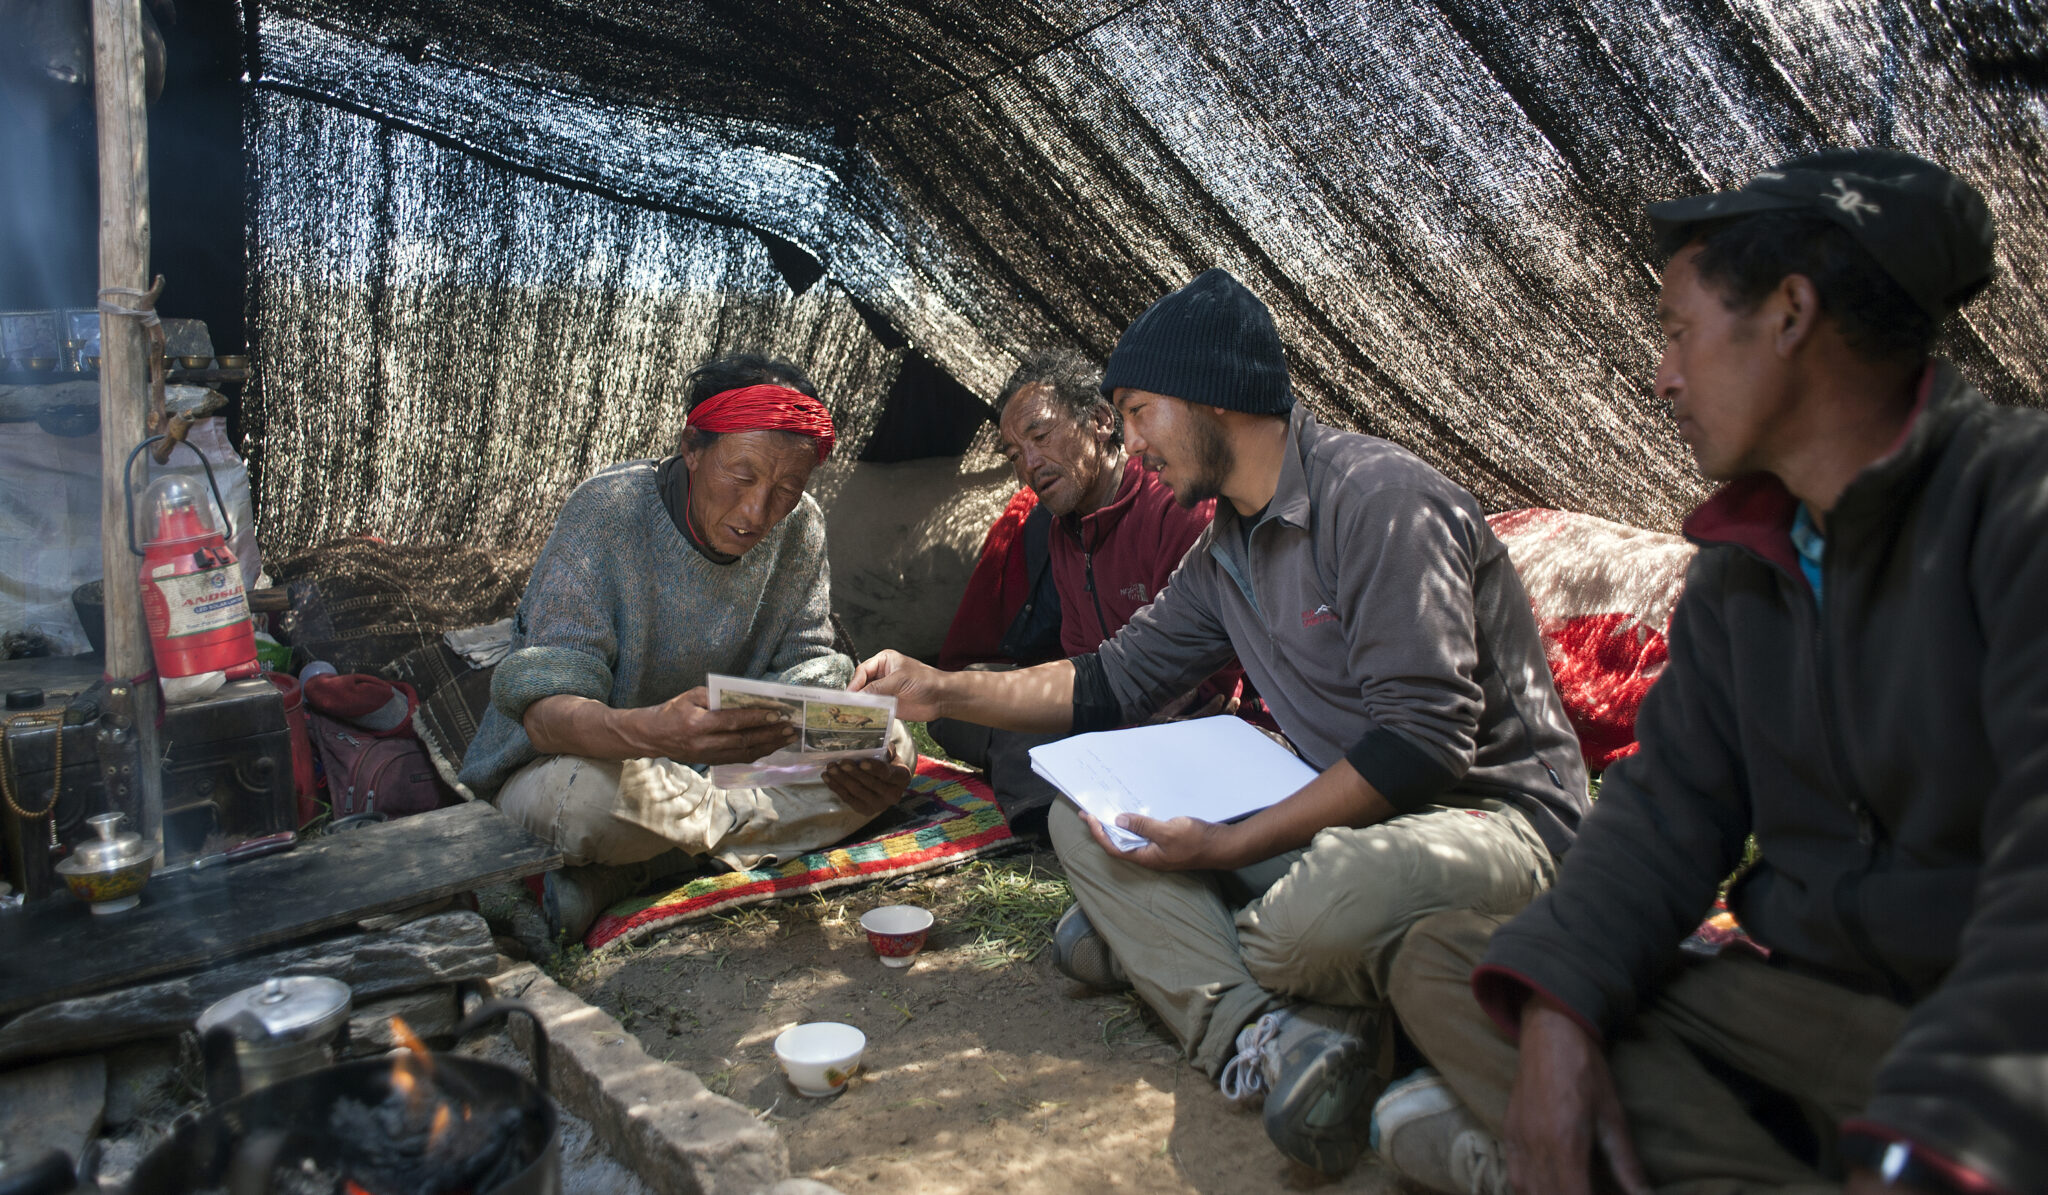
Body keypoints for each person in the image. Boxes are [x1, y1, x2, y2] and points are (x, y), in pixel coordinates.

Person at [1376, 150, 2046, 1195]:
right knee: (1452, 963)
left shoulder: (2015, 508)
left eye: (1678, 331)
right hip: (1800, 1006)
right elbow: (1666, 805)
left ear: (1788, 314)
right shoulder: (1744, 565)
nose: (1661, 378)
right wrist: (1557, 1011)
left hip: (1992, 1027)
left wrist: (1938, 1135)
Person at [852, 269, 1589, 1175]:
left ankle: (1183, 954)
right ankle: (1263, 1035)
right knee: (1088, 821)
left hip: (1486, 820)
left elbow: (1422, 742)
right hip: (1343, 814)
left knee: (1311, 914)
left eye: (1137, 412)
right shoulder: (1225, 548)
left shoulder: (1377, 499)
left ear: (1215, 399)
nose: (1129, 441)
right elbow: (1108, 680)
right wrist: (940, 689)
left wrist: (1229, 849)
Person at [460, 353, 914, 941]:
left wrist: (841, 737)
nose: (758, 512)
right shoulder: (607, 512)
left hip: (718, 768)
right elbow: (545, 719)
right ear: (692, 448)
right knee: (577, 803)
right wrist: (656, 732)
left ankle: (637, 869)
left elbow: (807, 665)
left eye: (786, 488)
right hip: (587, 763)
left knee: (888, 743)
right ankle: (696, 852)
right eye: (742, 476)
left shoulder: (801, 524)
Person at [929, 348, 1248, 838]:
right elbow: (1080, 662)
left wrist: (1098, 718)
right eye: (1015, 455)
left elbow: (1203, 682)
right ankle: (1049, 778)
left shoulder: (1174, 503)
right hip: (1107, 711)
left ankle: (1046, 803)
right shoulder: (1063, 529)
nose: (1030, 464)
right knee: (957, 701)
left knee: (1017, 731)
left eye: (1040, 436)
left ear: (1100, 422)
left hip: (1187, 723)